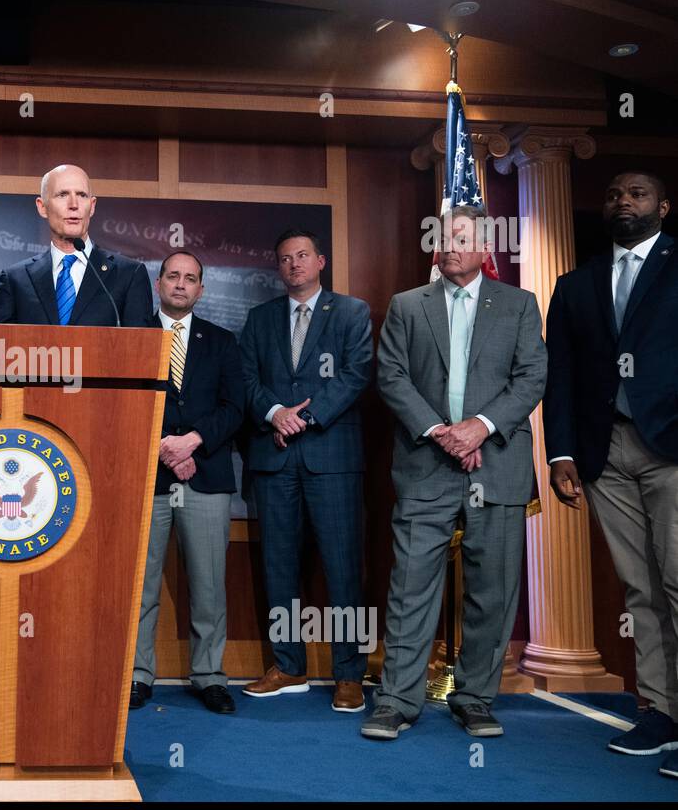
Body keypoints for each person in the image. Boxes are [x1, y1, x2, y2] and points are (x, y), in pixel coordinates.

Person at [363, 206, 546, 740]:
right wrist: (443, 432)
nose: (450, 246)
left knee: (493, 587)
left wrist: (480, 427)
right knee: (411, 584)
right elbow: (391, 376)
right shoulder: (406, 306)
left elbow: (533, 374)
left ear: (485, 248)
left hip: (499, 462)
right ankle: (397, 699)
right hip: (427, 464)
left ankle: (475, 698)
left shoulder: (518, 304)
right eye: (444, 238)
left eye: (463, 238)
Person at [543, 172, 678, 779]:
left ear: (663, 207)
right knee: (641, 587)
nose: (623, 201)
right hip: (605, 455)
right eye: (615, 193)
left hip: (671, 448)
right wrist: (561, 452)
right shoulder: (576, 285)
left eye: (638, 194)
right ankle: (660, 713)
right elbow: (561, 376)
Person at [237, 229, 373, 712]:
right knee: (279, 569)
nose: (294, 264)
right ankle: (288, 665)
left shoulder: (352, 312)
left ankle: (350, 673)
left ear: (320, 261)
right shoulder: (258, 320)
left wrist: (304, 418)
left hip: (332, 458)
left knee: (343, 571)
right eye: (285, 259)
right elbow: (247, 379)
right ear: (278, 268)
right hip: (274, 460)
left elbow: (357, 374)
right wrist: (276, 413)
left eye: (302, 256)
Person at [130, 252, 243, 714]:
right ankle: (137, 675)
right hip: (147, 478)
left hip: (206, 476)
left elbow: (235, 407)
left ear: (201, 289)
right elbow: (123, 404)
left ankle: (210, 675)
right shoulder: (133, 338)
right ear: (158, 284)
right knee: (141, 587)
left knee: (209, 585)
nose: (180, 285)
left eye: (190, 279)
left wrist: (191, 442)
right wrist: (164, 447)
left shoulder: (221, 341)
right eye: (172, 276)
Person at [0, 164, 152, 326]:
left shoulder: (129, 275)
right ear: (42, 207)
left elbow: (143, 350)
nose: (74, 204)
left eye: (82, 195)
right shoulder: (16, 279)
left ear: (92, 206)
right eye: (63, 194)